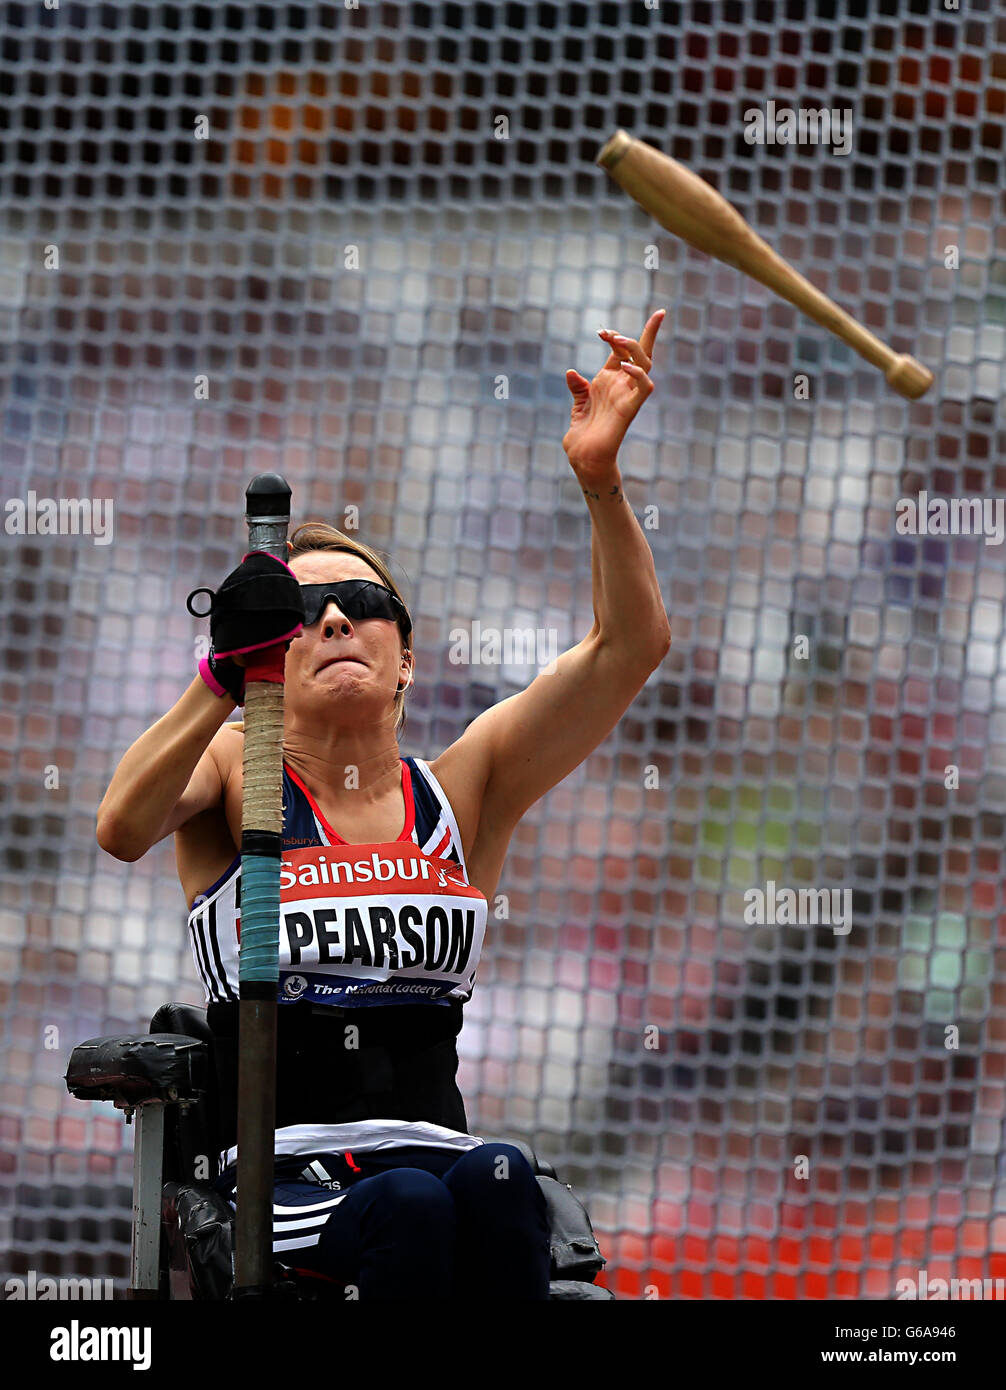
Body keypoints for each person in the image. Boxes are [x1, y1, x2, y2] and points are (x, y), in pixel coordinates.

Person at [96, 312, 672, 1299]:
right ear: (269, 651)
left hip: (443, 1162)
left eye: (363, 606)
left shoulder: (465, 784)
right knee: (411, 1204)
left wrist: (600, 483)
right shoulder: (238, 763)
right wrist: (218, 676)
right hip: (287, 1186)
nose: (332, 620)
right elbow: (122, 825)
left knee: (503, 1176)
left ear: (406, 655)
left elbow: (630, 648)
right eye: (300, 614)